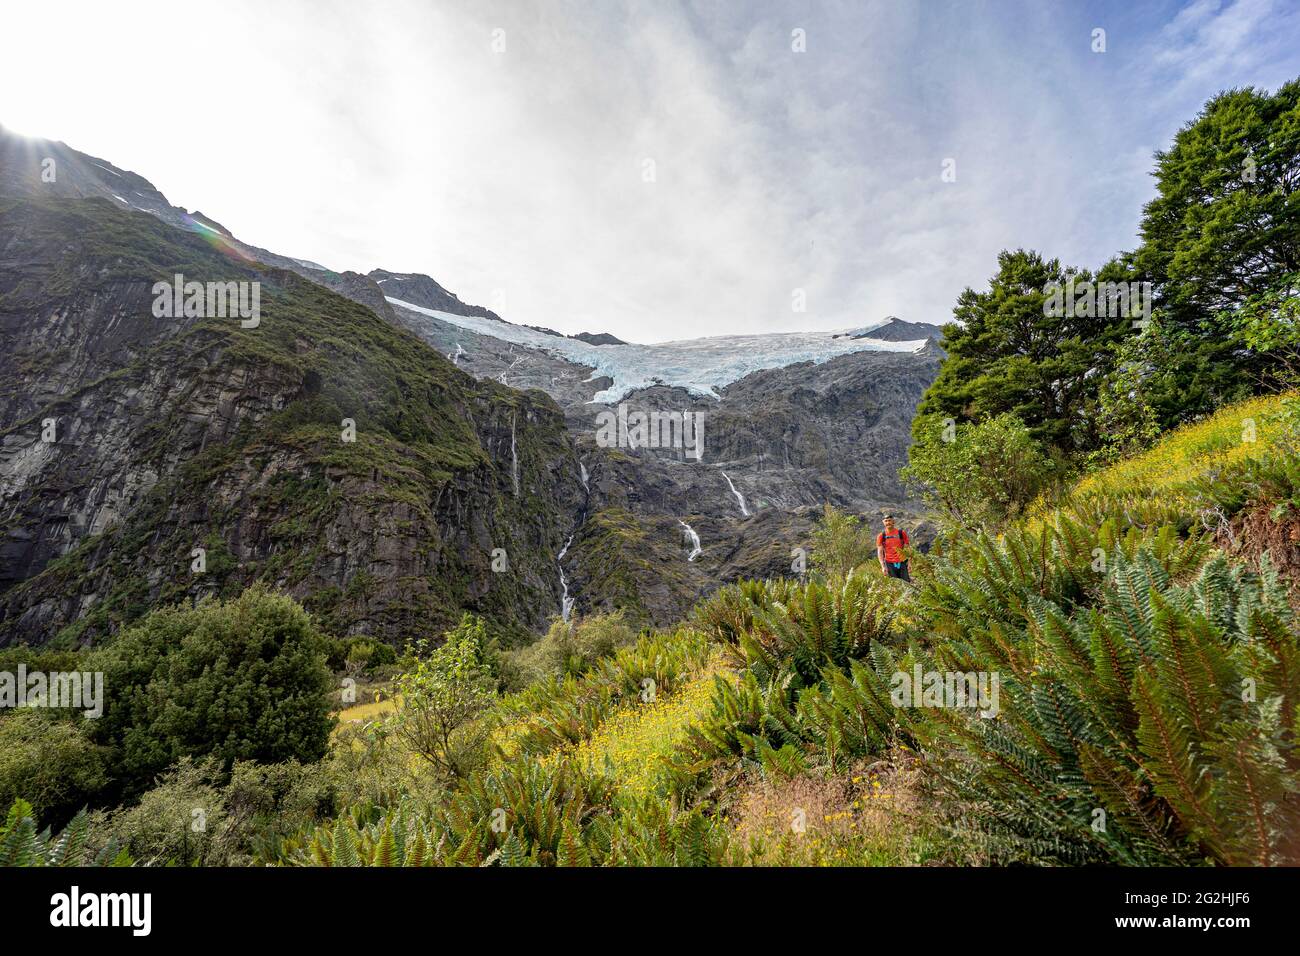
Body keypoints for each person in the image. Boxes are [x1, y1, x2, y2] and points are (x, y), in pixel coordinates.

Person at [877, 514, 911, 582]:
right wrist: (883, 566)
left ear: (893, 521)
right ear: (883, 522)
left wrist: (909, 563)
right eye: (886, 521)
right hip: (889, 563)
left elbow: (908, 548)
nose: (888, 523)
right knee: (895, 585)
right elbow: (880, 552)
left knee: (906, 584)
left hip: (902, 562)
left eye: (889, 520)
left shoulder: (901, 533)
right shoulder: (881, 536)